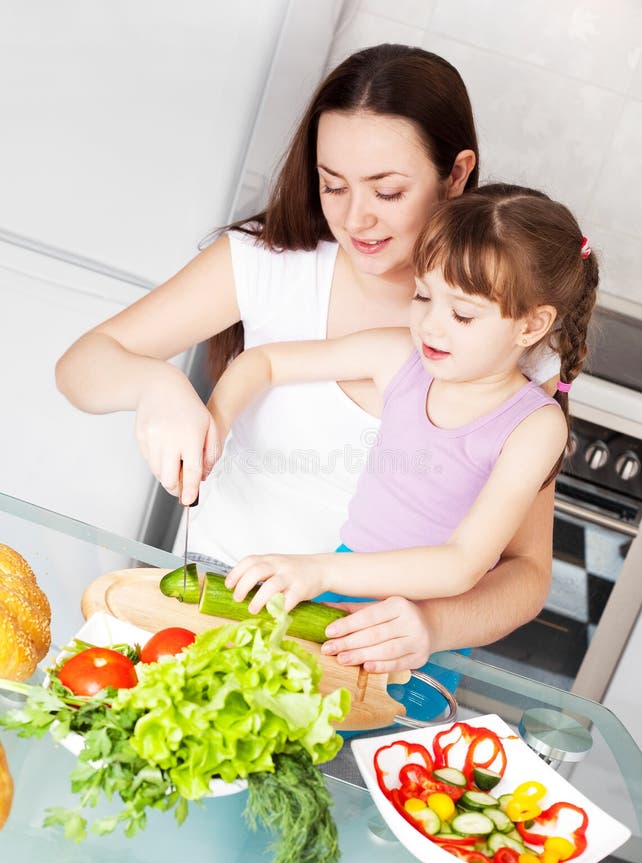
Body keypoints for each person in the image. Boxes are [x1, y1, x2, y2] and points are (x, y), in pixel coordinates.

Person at [56, 44, 561, 675]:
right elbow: (80, 367)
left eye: (389, 190)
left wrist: (433, 625)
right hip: (209, 619)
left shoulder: (515, 343)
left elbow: (527, 572)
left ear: (456, 175)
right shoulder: (269, 265)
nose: (356, 218)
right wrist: (156, 383)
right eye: (333, 185)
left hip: (371, 662)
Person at [203, 186, 598, 623]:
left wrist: (320, 568)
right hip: (339, 589)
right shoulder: (397, 357)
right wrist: (214, 423)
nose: (430, 325)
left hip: (417, 629)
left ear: (532, 325)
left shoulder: (535, 427)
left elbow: (461, 563)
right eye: (423, 296)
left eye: (463, 315)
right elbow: (266, 362)